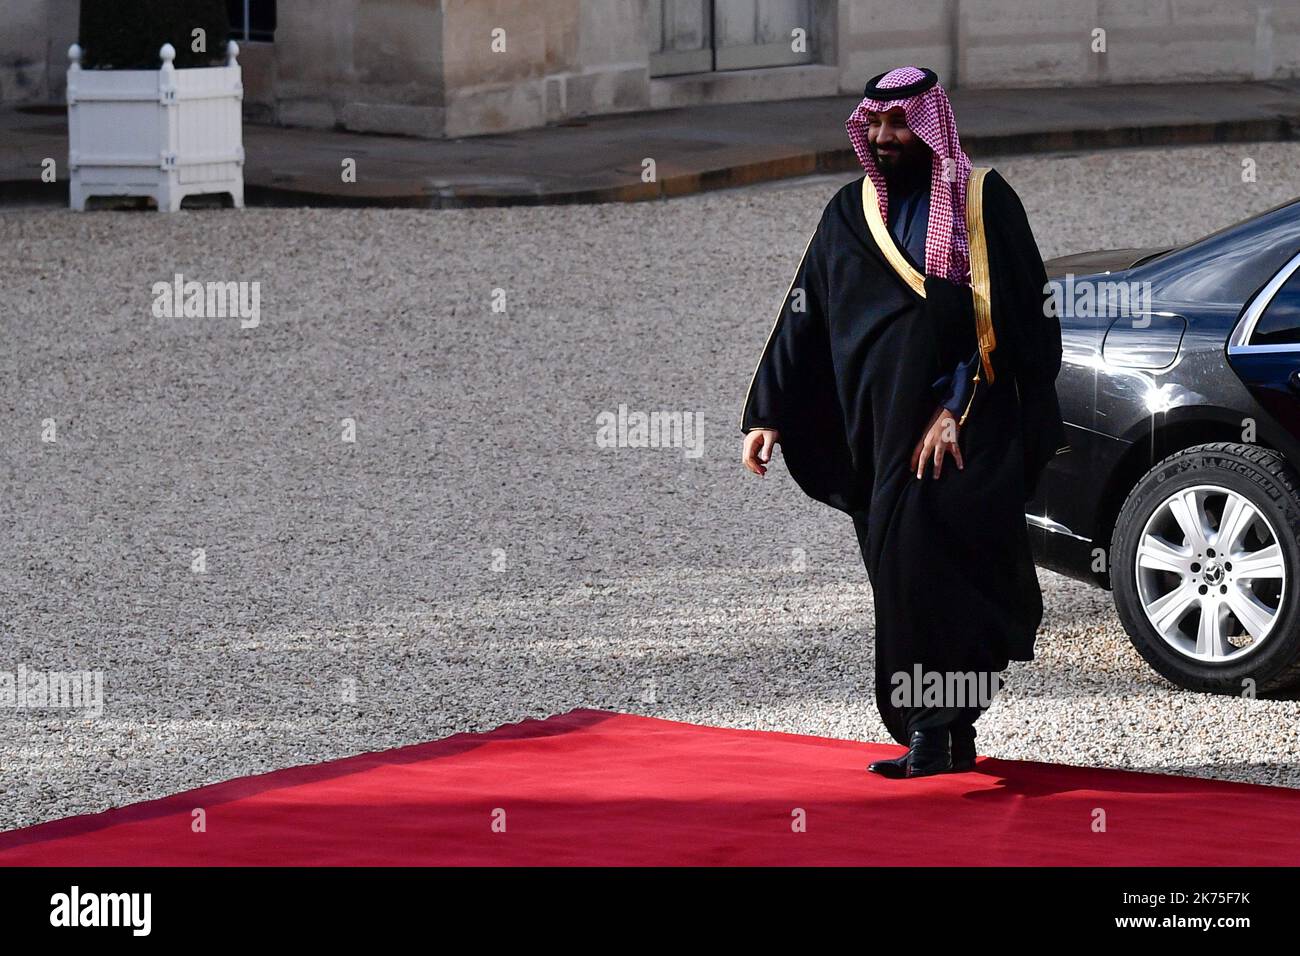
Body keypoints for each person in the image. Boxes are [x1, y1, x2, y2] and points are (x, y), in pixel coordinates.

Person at [739, 66, 1069, 778]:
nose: (887, 137)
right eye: (877, 125)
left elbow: (1020, 324)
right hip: (879, 434)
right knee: (901, 576)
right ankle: (949, 734)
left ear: (930, 125)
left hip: (964, 428)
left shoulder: (984, 203)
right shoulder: (849, 211)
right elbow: (806, 309)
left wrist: (958, 407)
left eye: (901, 124)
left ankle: (932, 731)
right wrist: (768, 412)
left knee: (948, 574)